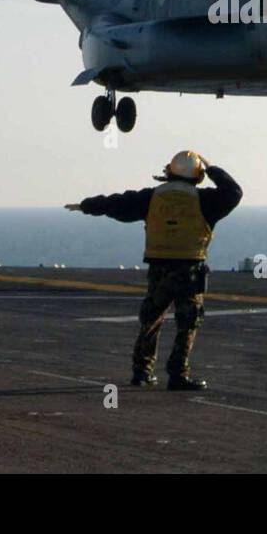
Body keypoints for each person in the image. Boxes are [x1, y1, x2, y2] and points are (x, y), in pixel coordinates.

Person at [66, 151, 242, 390]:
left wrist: (86, 206)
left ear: (169, 172)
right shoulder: (206, 200)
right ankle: (178, 374)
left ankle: (142, 373)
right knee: (188, 322)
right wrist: (211, 168)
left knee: (151, 319)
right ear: (197, 176)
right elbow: (234, 192)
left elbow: (117, 204)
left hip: (159, 267)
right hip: (189, 269)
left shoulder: (152, 197)